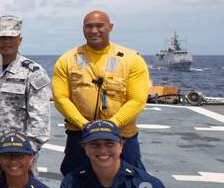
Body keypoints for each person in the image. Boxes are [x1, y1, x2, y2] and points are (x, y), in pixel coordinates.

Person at [52, 10, 151, 175]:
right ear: (83, 29)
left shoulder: (131, 60)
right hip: (81, 135)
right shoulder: (67, 60)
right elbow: (60, 98)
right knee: (75, 182)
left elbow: (137, 100)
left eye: (99, 26)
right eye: (89, 26)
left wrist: (111, 126)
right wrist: (84, 125)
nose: (94, 30)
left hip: (121, 136)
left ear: (110, 27)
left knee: (131, 181)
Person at [0, 15, 52, 182]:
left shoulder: (33, 72)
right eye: (1, 38)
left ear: (19, 40)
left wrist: (30, 151)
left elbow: (40, 119)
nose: (6, 42)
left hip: (20, 154)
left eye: (11, 37)